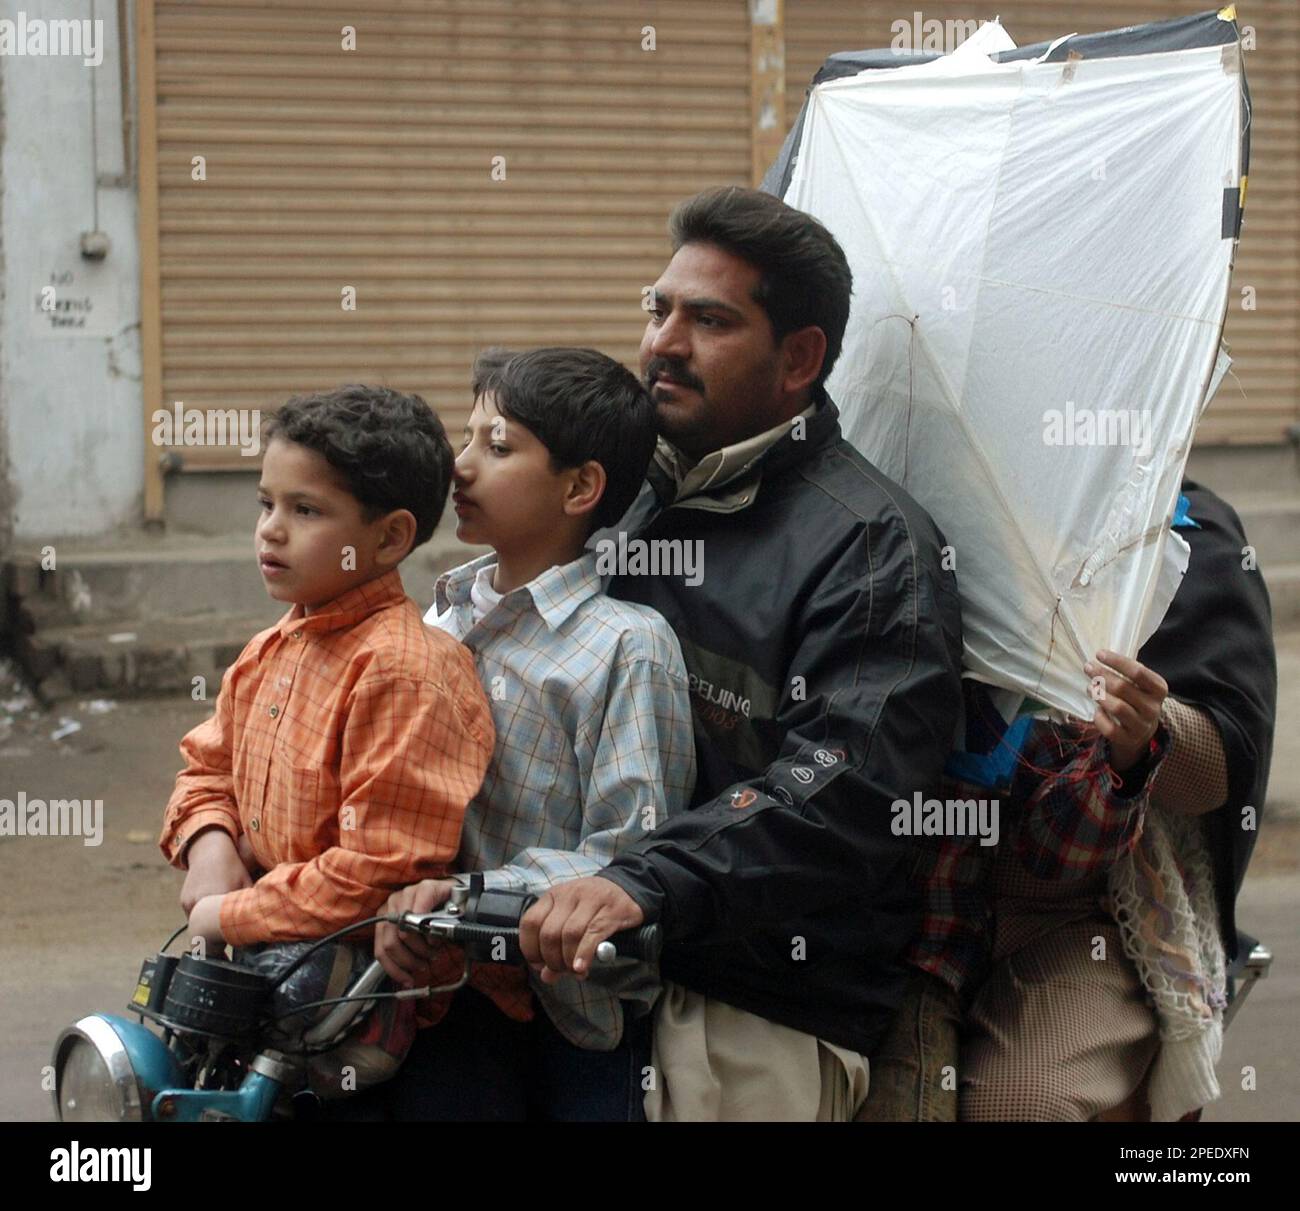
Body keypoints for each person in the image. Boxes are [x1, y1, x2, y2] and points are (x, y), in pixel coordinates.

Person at [512, 186, 966, 1120]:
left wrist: (643, 882)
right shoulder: (620, 491)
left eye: (709, 319)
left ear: (800, 356)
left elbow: (846, 788)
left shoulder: (873, 549)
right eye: (659, 308)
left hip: (755, 998)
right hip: (563, 949)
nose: (662, 342)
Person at [362, 347, 697, 1122]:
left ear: (581, 486)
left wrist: (465, 896)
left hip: (571, 1017)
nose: (461, 466)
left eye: (498, 446)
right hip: (440, 991)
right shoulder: (443, 618)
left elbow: (629, 854)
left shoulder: (625, 645)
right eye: (468, 436)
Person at [955, 481, 1276, 1121]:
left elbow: (1223, 769)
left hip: (1090, 912)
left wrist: (1146, 732)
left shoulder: (1185, 528)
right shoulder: (909, 494)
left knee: (1016, 1106)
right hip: (897, 896)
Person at [159, 385, 493, 959]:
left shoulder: (405, 673)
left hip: (363, 998)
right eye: (267, 504)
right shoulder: (271, 650)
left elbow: (375, 876)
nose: (271, 529)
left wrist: (228, 913)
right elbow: (208, 769)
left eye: (305, 510)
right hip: (272, 968)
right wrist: (209, 843)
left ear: (390, 537)